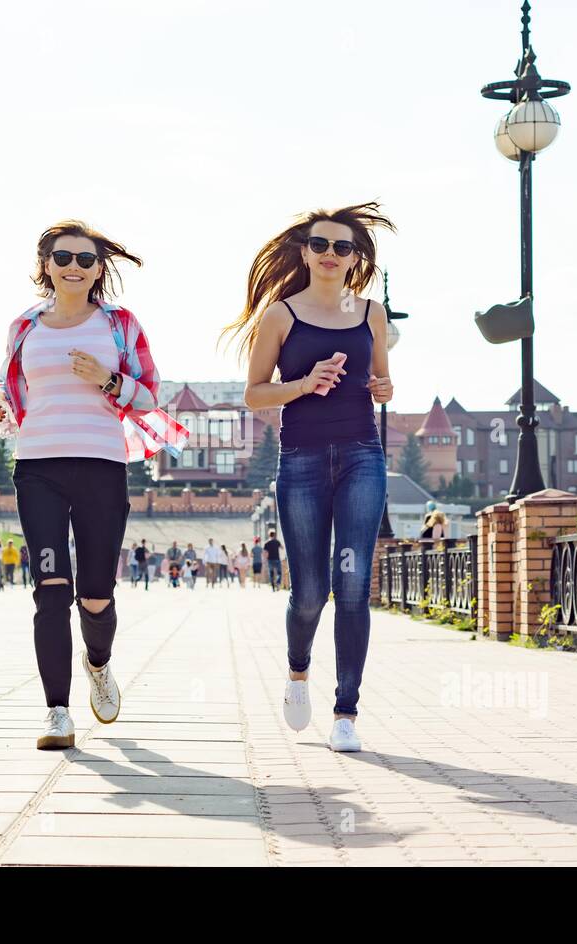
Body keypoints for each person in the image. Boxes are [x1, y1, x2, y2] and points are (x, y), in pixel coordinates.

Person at [0, 219, 188, 750]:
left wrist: (108, 378)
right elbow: (8, 394)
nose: (74, 266)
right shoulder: (24, 327)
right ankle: (56, 713)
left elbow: (149, 397)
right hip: (39, 467)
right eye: (62, 257)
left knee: (95, 596)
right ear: (45, 265)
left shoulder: (118, 324)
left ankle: (98, 663)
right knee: (51, 590)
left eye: (85, 259)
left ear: (99, 269)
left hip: (101, 465)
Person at [222, 202, 395, 754]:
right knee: (309, 593)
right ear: (305, 252)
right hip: (301, 460)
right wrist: (302, 384)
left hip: (362, 455)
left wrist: (384, 390)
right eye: (319, 245)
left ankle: (346, 712)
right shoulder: (281, 315)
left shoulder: (370, 312)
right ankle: (298, 674)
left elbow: (382, 379)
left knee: (353, 585)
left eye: (341, 247)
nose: (329, 255)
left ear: (354, 259)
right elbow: (253, 393)